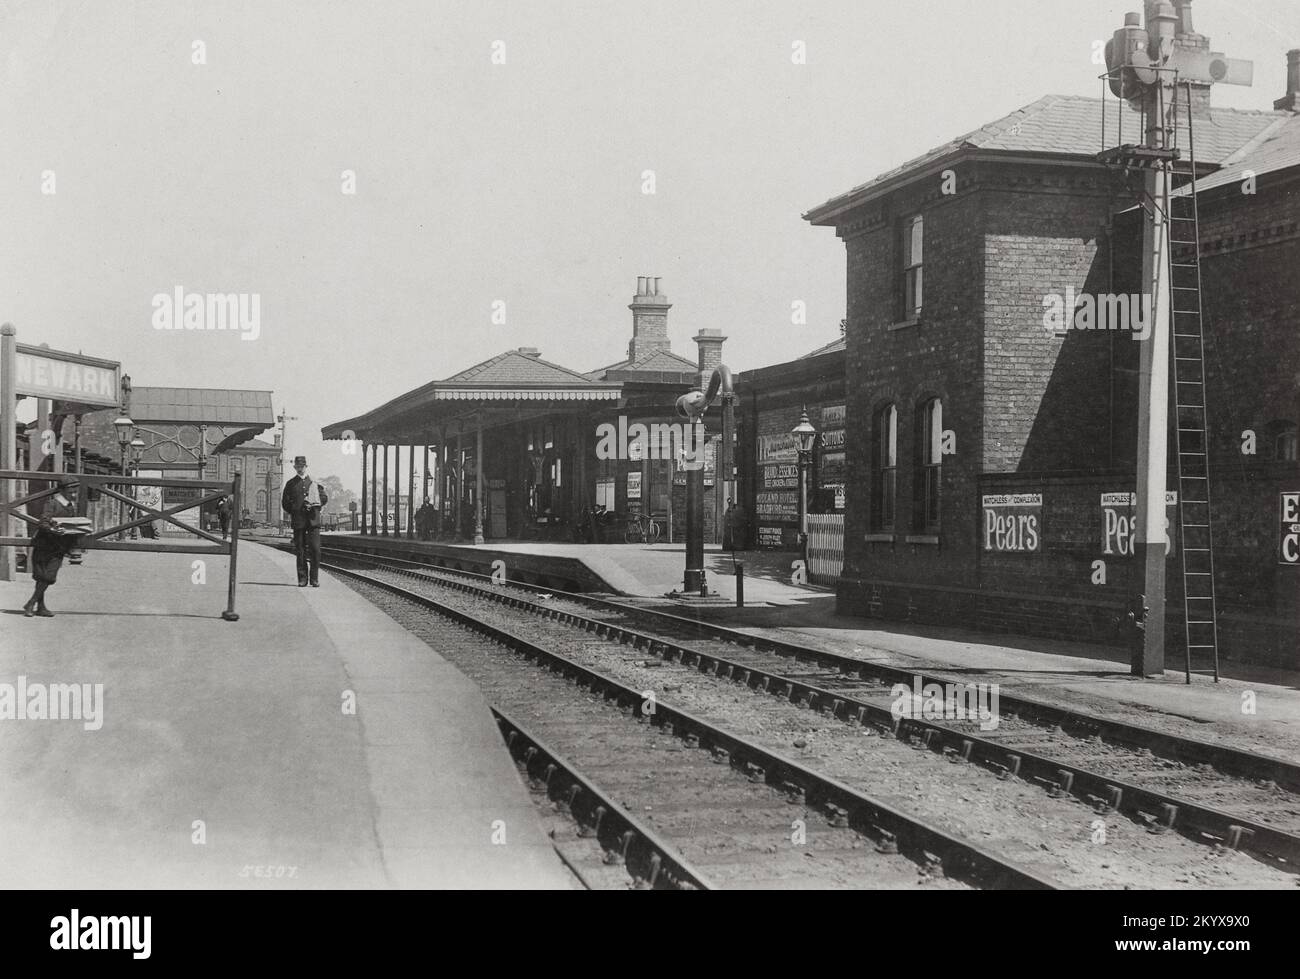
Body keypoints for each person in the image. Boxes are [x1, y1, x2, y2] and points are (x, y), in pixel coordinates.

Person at [23, 482, 81, 618]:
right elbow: (43, 522)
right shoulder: (52, 504)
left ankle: (31, 603)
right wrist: (53, 529)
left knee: (49, 576)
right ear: (61, 491)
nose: (73, 495)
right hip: (44, 545)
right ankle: (39, 606)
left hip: (59, 548)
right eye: (70, 492)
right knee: (41, 576)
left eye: (75, 492)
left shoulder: (71, 507)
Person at [281, 456, 328, 587]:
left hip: (313, 520)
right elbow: (285, 503)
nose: (300, 469)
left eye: (302, 467)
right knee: (300, 550)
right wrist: (296, 510)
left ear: (306, 467)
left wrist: (315, 503)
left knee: (315, 550)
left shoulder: (314, 482)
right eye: (297, 467)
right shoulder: (290, 484)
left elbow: (324, 497)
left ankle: (314, 579)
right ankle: (302, 579)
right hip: (298, 521)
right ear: (295, 468)